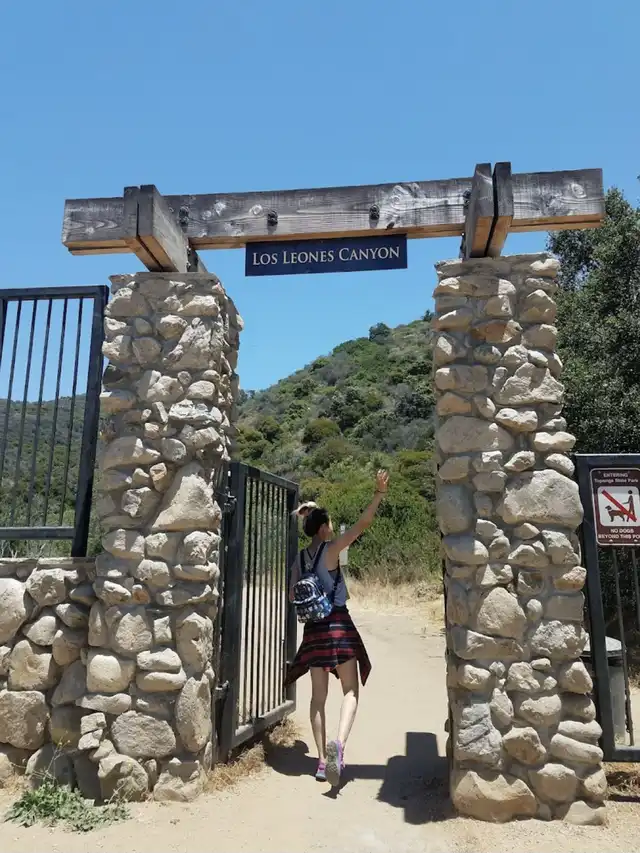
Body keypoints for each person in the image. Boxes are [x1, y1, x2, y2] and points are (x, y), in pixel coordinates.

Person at [285, 469, 389, 788]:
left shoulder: (300, 559)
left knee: (318, 698)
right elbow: (363, 524)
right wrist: (379, 493)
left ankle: (321, 761)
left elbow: (291, 595)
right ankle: (339, 746)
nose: (332, 527)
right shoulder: (331, 550)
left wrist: (309, 511)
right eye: (329, 523)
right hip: (338, 626)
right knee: (350, 691)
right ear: (324, 528)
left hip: (314, 632)